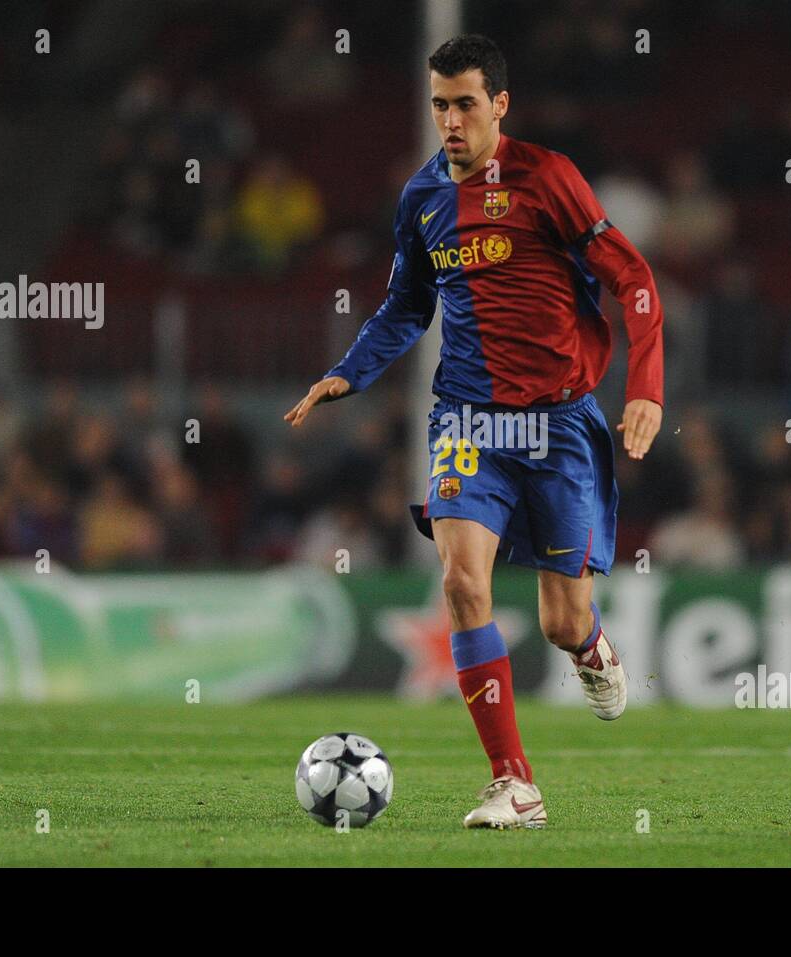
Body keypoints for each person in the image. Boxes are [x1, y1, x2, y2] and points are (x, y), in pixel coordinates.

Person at [285, 35, 664, 829]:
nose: (450, 121)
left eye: (464, 104)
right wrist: (348, 372)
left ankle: (592, 647)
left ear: (499, 104)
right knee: (461, 583)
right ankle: (513, 781)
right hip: (465, 419)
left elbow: (632, 277)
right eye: (439, 105)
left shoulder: (549, 178)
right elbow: (407, 304)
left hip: (560, 422)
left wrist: (648, 389)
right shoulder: (421, 197)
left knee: (562, 619)